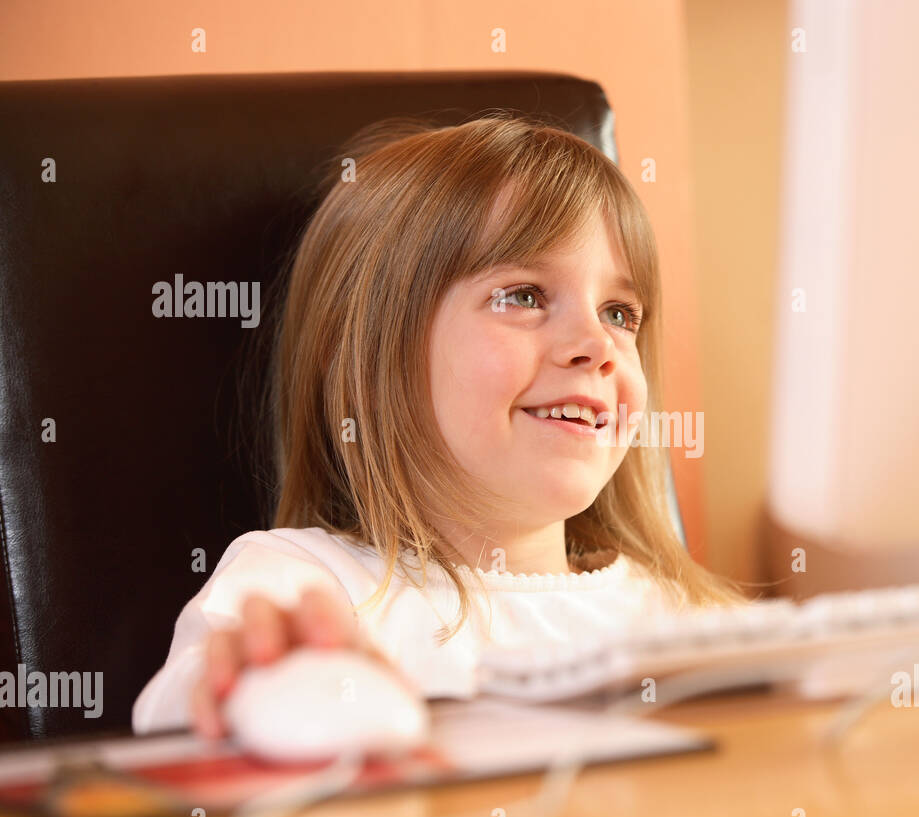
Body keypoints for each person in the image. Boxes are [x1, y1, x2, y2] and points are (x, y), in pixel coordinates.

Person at [132, 112, 747, 737]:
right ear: (372, 350)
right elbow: (174, 727)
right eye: (524, 296)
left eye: (619, 312)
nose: (597, 344)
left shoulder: (678, 616)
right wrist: (248, 683)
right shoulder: (304, 586)